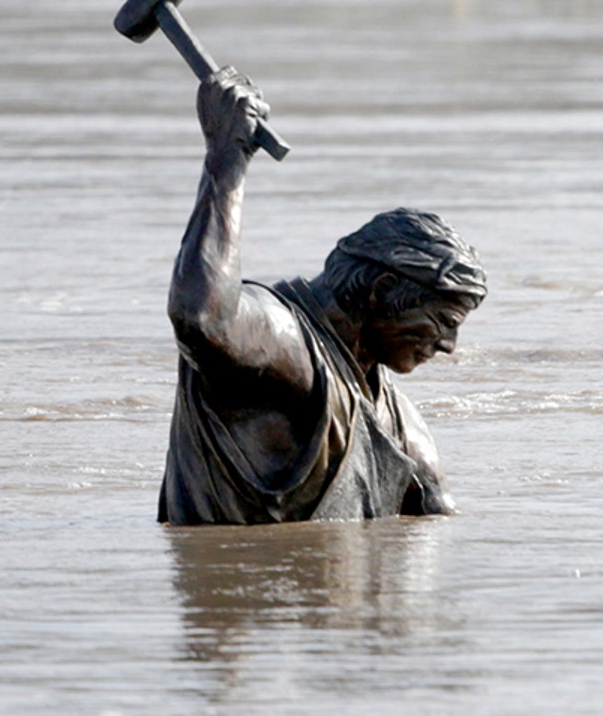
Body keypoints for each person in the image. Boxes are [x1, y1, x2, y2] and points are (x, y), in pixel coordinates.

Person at [158, 68, 486, 525]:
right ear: (382, 291)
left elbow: (438, 525)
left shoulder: (401, 425)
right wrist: (226, 157)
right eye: (443, 321)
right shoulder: (286, 343)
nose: (449, 345)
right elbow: (202, 318)